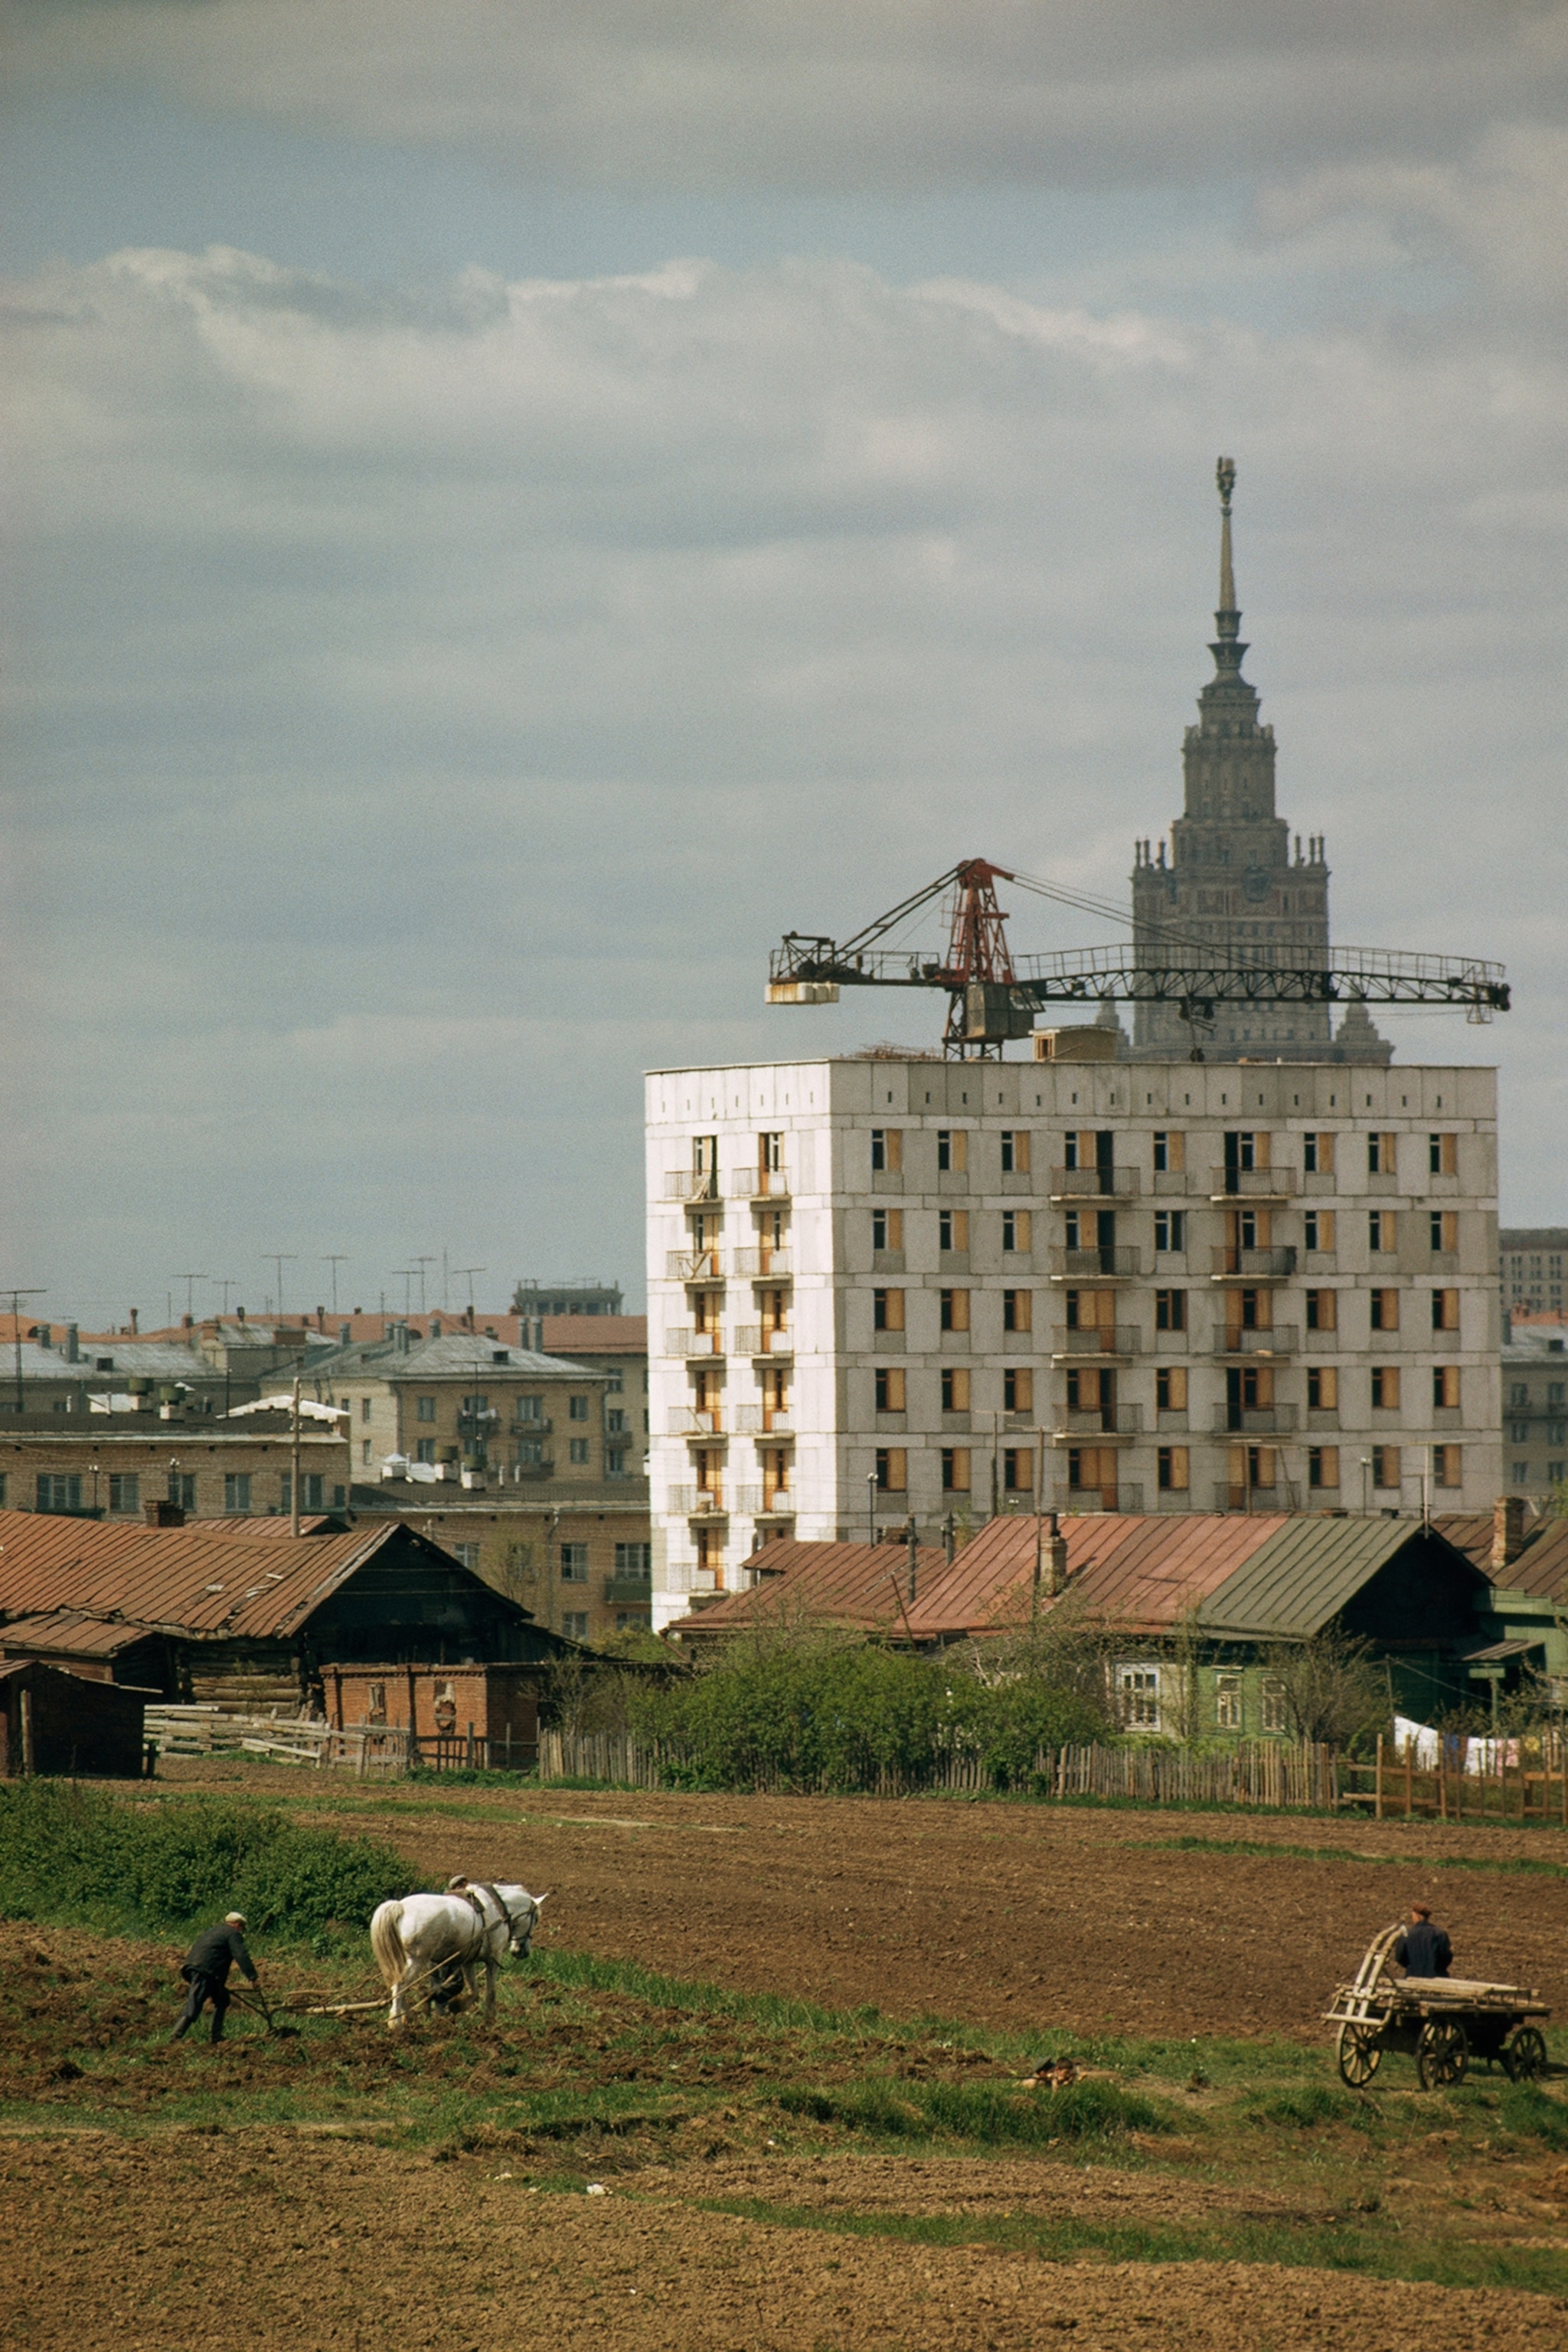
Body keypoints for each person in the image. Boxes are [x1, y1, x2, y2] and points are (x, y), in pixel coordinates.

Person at [172, 1912, 259, 2044]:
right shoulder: (233, 1934)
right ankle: (176, 2036)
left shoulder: (215, 1931)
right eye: (242, 1928)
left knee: (222, 1999)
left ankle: (216, 2036)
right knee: (196, 2001)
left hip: (196, 1967)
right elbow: (241, 1955)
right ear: (237, 1925)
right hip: (204, 1971)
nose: (241, 1931)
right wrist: (252, 1977)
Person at [1393, 1902, 1452, 1979]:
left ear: (1418, 1917)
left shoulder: (1407, 1935)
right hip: (1437, 1977)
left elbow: (1400, 1957)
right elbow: (1446, 1956)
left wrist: (1412, 1966)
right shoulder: (1439, 1933)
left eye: (1413, 1916)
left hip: (1413, 1977)